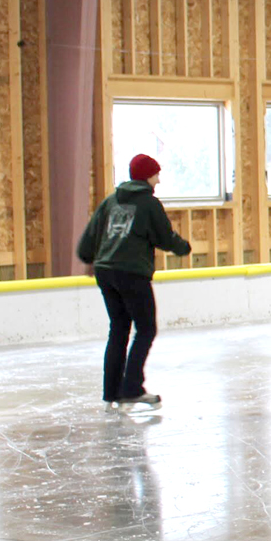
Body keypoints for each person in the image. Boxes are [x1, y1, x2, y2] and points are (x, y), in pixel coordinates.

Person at [77, 153, 192, 408]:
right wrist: (183, 247)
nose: (158, 180)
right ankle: (130, 388)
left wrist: (88, 257)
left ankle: (112, 391)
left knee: (118, 328)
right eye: (156, 174)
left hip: (105, 271)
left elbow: (91, 235)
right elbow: (164, 236)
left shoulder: (110, 201)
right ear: (147, 176)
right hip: (131, 272)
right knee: (146, 328)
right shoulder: (149, 204)